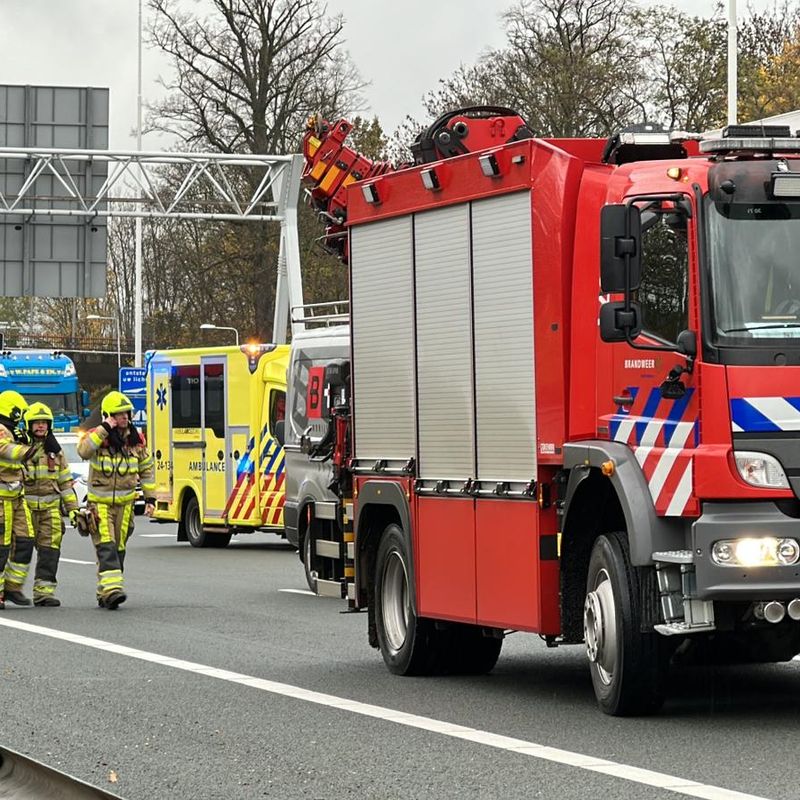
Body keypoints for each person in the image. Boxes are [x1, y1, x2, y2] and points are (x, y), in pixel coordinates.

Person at [77, 390, 155, 609]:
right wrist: (104, 429)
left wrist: (151, 500)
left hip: (126, 505)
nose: (124, 418)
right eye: (118, 414)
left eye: (126, 413)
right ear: (109, 416)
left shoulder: (135, 439)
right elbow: (83, 451)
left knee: (119, 548)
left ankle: (105, 591)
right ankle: (113, 590)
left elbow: (146, 470)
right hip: (99, 504)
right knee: (107, 546)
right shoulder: (97, 436)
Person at [22, 402, 79, 607]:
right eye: (36, 422)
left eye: (44, 422)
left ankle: (43, 593)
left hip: (50, 511)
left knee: (49, 552)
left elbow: (65, 482)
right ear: (28, 425)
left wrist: (73, 510)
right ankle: (6, 591)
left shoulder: (56, 452)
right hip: (23, 511)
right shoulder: (19, 449)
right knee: (16, 552)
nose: (40, 426)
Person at [0, 390, 35, 608]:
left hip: (16, 496)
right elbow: (4, 449)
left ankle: (13, 587)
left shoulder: (13, 431)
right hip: (1, 499)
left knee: (25, 540)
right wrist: (24, 451)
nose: (21, 417)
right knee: (1, 547)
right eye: (19, 413)